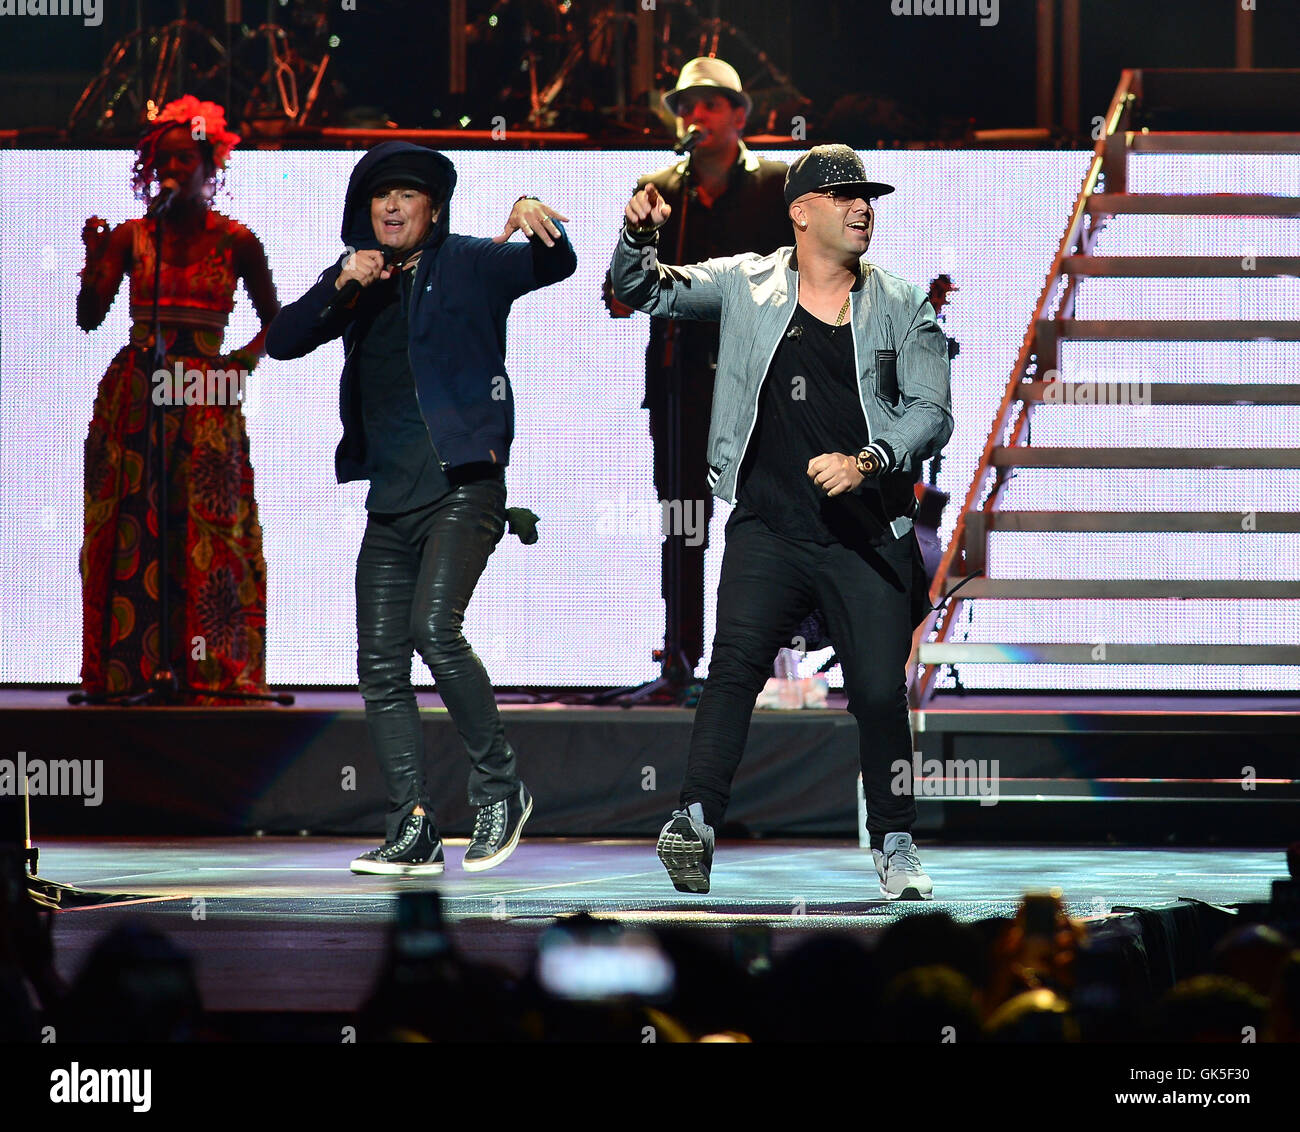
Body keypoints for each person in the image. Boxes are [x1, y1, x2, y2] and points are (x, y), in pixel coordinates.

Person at [609, 144, 953, 900]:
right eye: (844, 197)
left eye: (869, 198)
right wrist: (636, 236)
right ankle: (694, 822)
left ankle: (895, 840)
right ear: (801, 212)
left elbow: (932, 412)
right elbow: (643, 290)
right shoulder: (745, 283)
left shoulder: (901, 302)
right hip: (768, 525)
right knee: (731, 670)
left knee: (873, 690)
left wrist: (868, 459)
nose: (863, 209)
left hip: (865, 533)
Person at [266, 142, 576, 876]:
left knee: (434, 629)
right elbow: (281, 342)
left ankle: (501, 789)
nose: (394, 206)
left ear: (433, 209)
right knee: (379, 664)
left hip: (465, 485)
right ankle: (412, 825)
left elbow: (553, 264)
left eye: (409, 196)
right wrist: (342, 281)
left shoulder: (467, 262)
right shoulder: (356, 282)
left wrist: (538, 217)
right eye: (381, 197)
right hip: (391, 502)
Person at [76, 96, 279, 702]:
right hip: (137, 395)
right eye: (162, 160)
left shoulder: (237, 241)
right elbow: (89, 318)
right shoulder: (134, 237)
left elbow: (279, 320)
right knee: (135, 525)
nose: (172, 170)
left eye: (184, 160)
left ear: (210, 164)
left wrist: (236, 363)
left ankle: (209, 672)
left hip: (206, 398)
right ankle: (129, 670)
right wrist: (93, 260)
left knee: (207, 533)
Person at [604, 57, 789, 685]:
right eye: (686, 105)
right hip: (681, 385)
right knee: (682, 522)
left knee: (762, 523)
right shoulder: (659, 189)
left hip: (760, 388)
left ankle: (756, 663)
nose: (696, 116)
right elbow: (621, 294)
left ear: (740, 115)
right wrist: (633, 246)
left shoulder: (777, 185)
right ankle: (680, 656)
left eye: (710, 104)